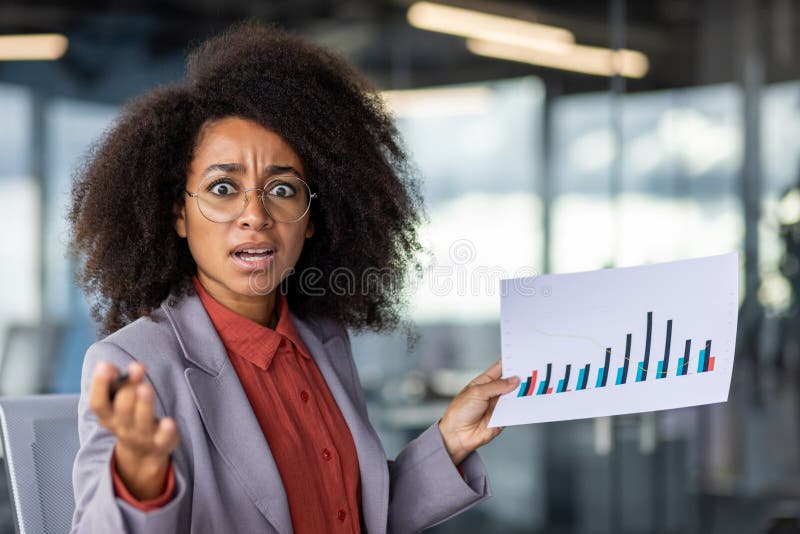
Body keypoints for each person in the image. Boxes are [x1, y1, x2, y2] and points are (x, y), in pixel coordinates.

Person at [67, 19, 521, 534]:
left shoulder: (321, 339)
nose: (255, 215)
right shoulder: (136, 363)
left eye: (282, 190)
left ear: (310, 222)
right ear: (177, 213)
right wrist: (141, 483)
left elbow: (353, 513)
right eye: (222, 189)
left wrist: (451, 440)